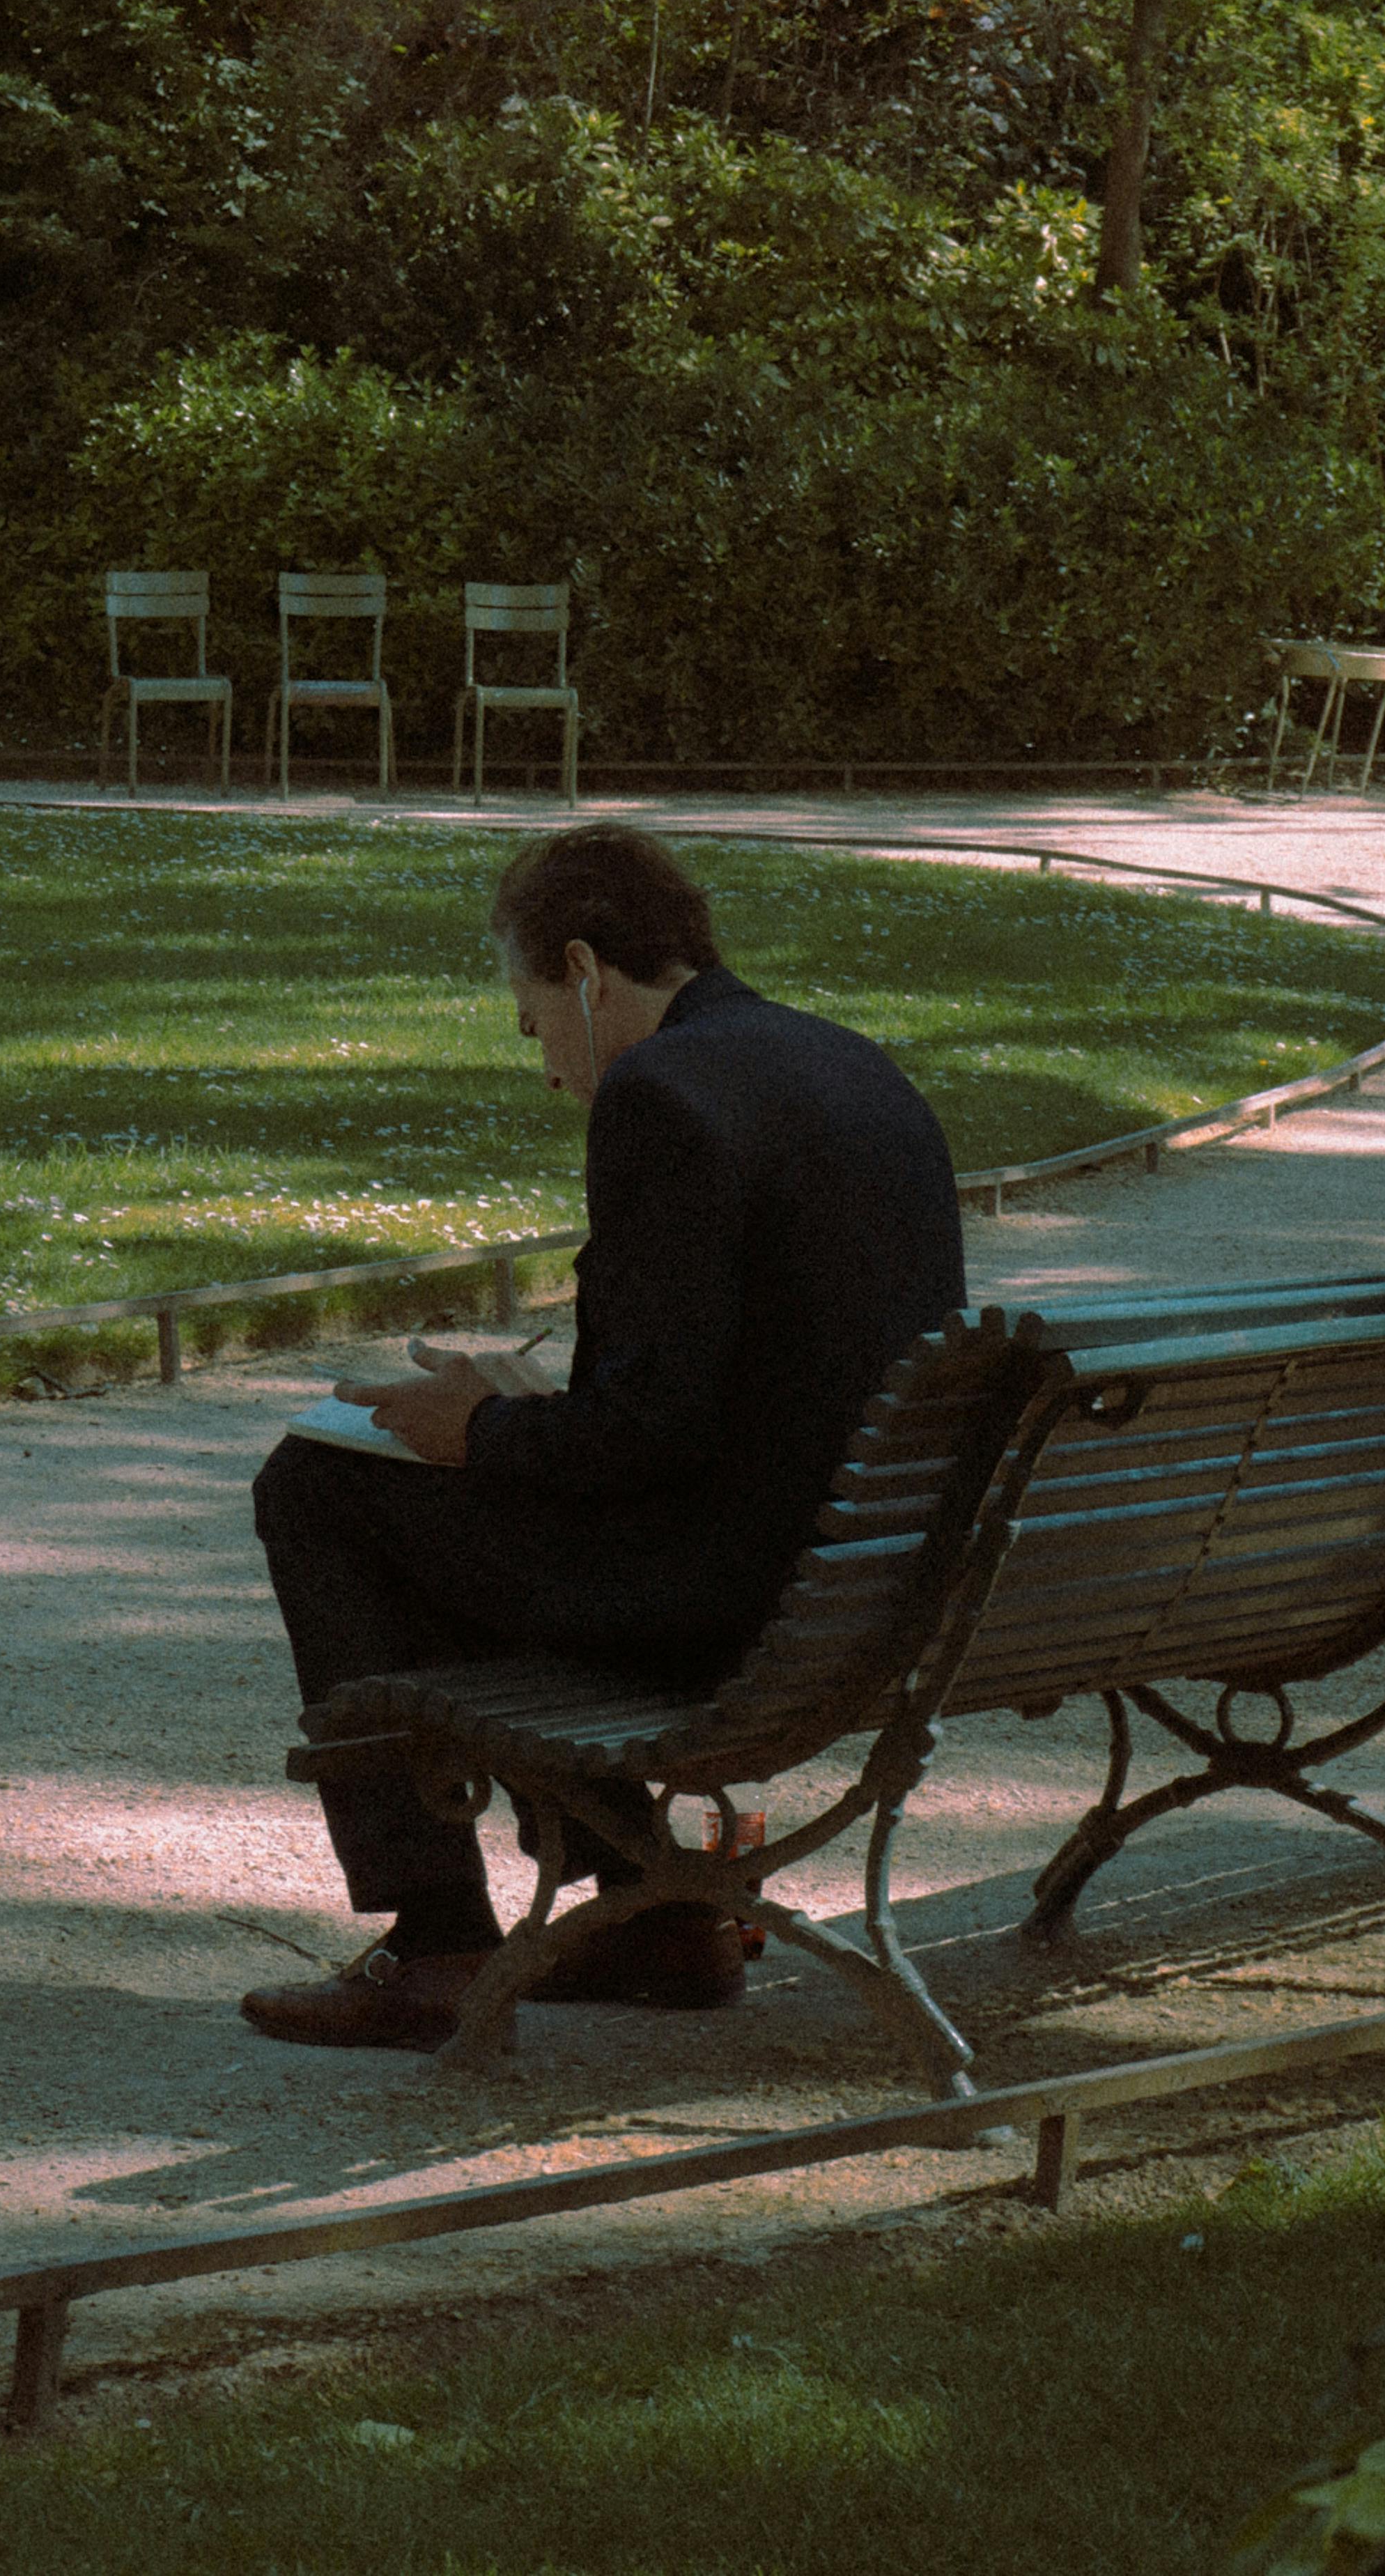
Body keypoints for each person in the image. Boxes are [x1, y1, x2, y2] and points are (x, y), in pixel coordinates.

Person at [242, 824, 965, 2051]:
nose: (547, 1075)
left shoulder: (661, 1096)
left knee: (319, 1486)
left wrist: (476, 1428)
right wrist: (517, 1406)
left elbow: (644, 1439)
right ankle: (648, 1916)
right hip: (877, 1575)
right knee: (447, 1503)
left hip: (742, 1607)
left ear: (582, 969)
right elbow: (732, 1372)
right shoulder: (846, 1062)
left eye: (535, 1027)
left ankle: (439, 1942)